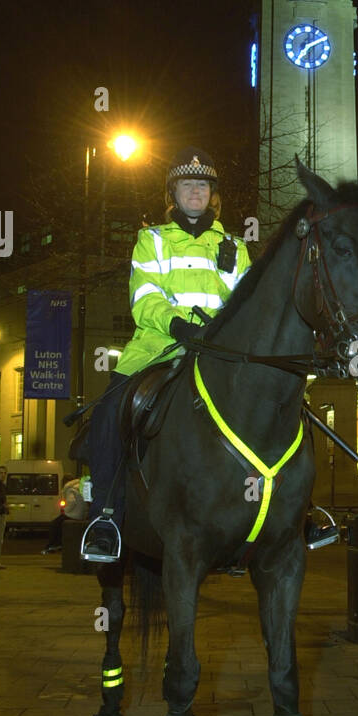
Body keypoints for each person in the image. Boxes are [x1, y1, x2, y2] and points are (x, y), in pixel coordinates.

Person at [81, 148, 252, 561]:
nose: (196, 191)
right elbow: (145, 297)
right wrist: (178, 325)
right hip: (159, 349)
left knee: (281, 402)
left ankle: (293, 517)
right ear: (173, 193)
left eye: (204, 185)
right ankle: (104, 517)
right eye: (187, 184)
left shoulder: (235, 246)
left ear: (213, 195)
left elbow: (246, 303)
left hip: (218, 354)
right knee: (107, 416)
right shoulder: (151, 239)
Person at [42, 475, 86, 553]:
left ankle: (53, 544)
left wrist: (65, 510)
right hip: (80, 514)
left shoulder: (70, 489)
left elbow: (71, 502)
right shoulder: (79, 487)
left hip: (73, 515)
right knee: (59, 524)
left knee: (54, 524)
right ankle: (57, 544)